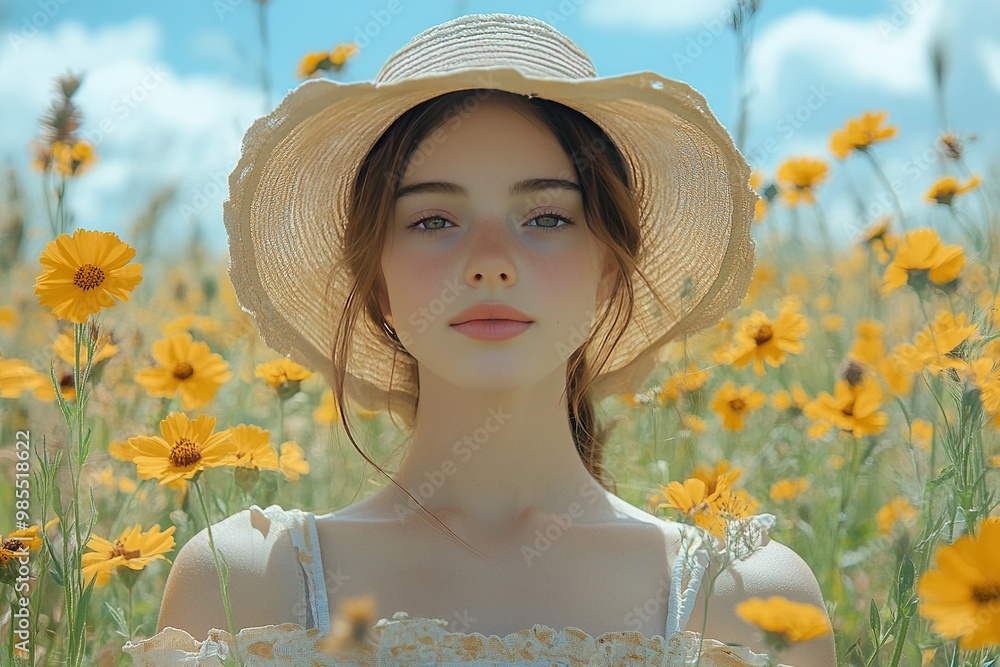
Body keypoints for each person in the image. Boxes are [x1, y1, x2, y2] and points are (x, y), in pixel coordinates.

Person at [124, 13, 836, 667]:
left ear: (609, 273)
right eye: (434, 219)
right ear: (377, 284)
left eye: (547, 216)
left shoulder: (748, 599)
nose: (490, 259)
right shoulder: (249, 579)